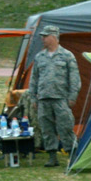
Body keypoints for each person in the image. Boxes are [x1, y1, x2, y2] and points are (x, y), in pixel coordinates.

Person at [29, 24, 79, 167]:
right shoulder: (40, 57)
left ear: (53, 37)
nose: (43, 39)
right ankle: (52, 157)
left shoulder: (67, 55)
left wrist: (72, 96)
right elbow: (34, 79)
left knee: (65, 126)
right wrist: (33, 97)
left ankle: (72, 155)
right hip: (43, 99)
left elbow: (74, 78)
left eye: (45, 36)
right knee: (47, 128)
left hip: (61, 98)